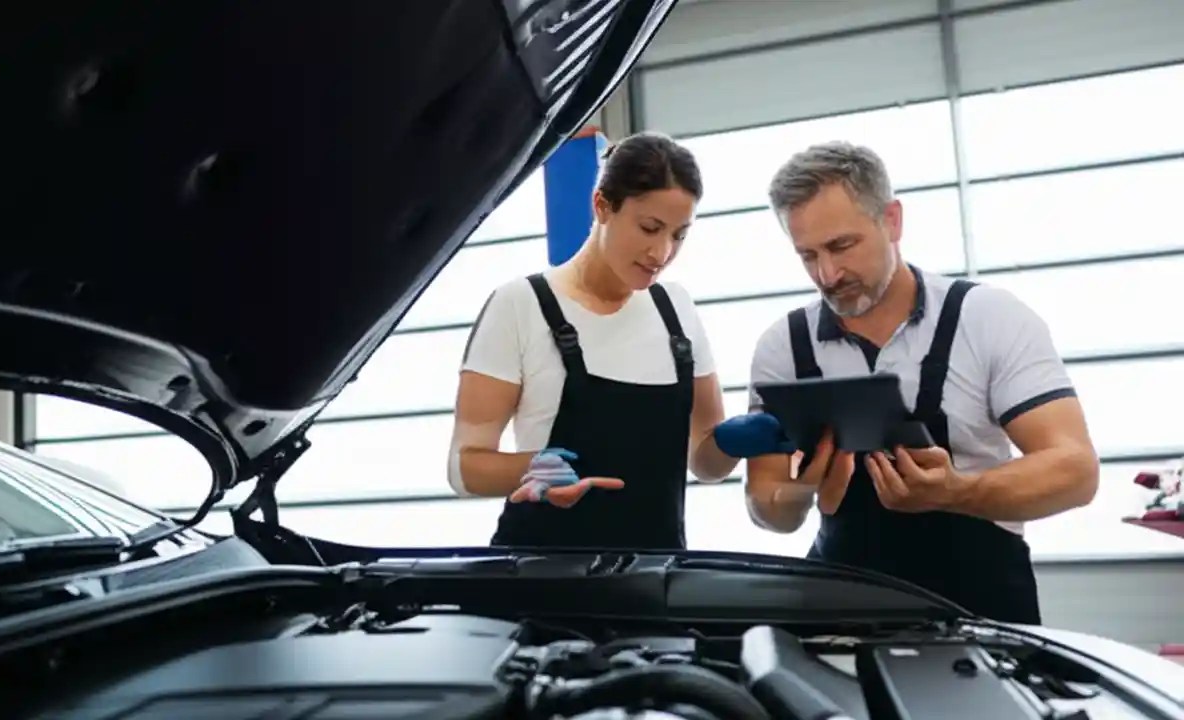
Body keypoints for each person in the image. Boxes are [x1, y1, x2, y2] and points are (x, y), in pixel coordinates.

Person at [736, 141, 1100, 623]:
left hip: (982, 610)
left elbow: (1076, 472)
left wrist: (956, 492)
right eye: (808, 256)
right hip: (839, 611)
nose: (827, 274)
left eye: (842, 246)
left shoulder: (988, 318)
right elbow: (767, 507)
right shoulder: (783, 346)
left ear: (892, 221)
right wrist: (804, 490)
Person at [447, 131, 787, 551]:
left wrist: (729, 442)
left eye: (679, 235)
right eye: (649, 228)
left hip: (652, 583)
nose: (661, 252)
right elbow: (463, 467)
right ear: (602, 206)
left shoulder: (676, 311)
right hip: (539, 581)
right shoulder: (521, 306)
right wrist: (530, 467)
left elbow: (705, 464)